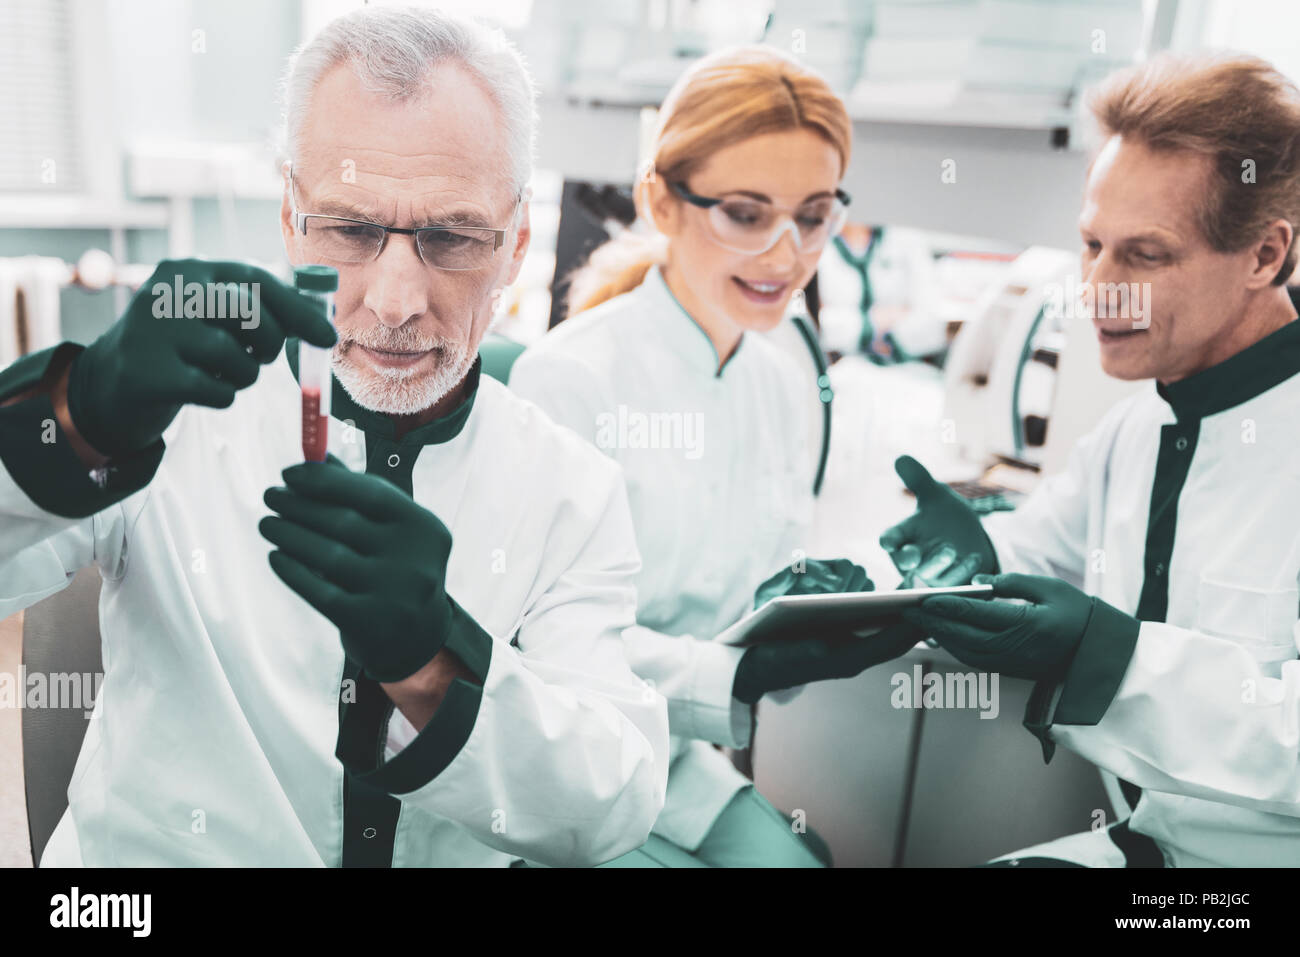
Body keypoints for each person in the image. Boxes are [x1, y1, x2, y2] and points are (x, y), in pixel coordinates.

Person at [0, 5, 669, 867]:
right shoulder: (175, 415)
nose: (394, 300)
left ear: (517, 245)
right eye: (351, 229)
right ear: (291, 217)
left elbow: (607, 810)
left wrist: (435, 662)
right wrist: (76, 419)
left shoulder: (570, 491)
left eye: (452, 236)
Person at [510, 47, 974, 867]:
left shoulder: (784, 363)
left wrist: (832, 592)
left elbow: (752, 574)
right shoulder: (570, 379)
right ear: (662, 199)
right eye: (746, 213)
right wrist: (740, 673)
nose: (787, 253)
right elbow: (542, 651)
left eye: (815, 214)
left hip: (678, 759)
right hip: (567, 764)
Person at [887, 52, 1300, 866]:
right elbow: (1042, 551)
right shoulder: (1138, 423)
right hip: (1144, 851)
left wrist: (1113, 659)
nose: (1097, 290)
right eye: (1091, 245)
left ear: (1264, 255)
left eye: (1145, 255)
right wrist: (971, 553)